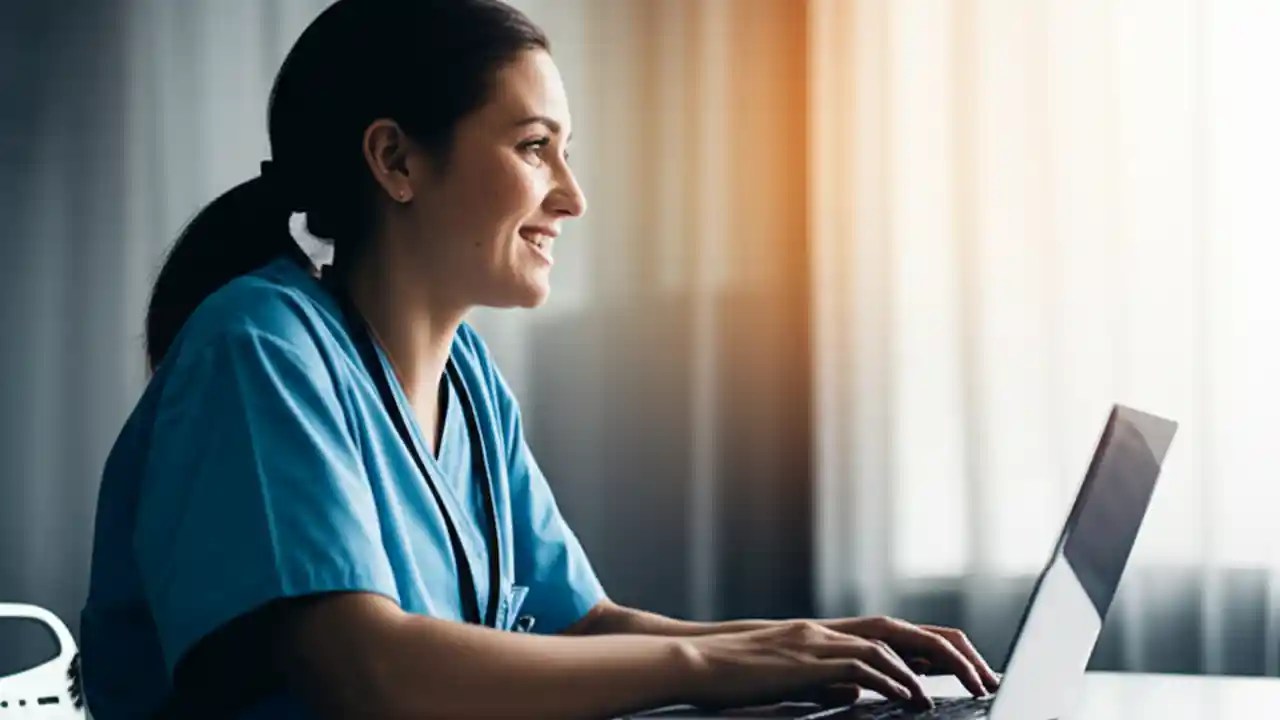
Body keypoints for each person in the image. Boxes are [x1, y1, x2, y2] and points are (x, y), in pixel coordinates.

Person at [79, 1, 1001, 718]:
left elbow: (583, 625)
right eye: (534, 149)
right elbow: (367, 673)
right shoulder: (259, 345)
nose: (572, 196)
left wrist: (803, 647)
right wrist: (710, 662)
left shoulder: (468, 379)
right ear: (395, 160)